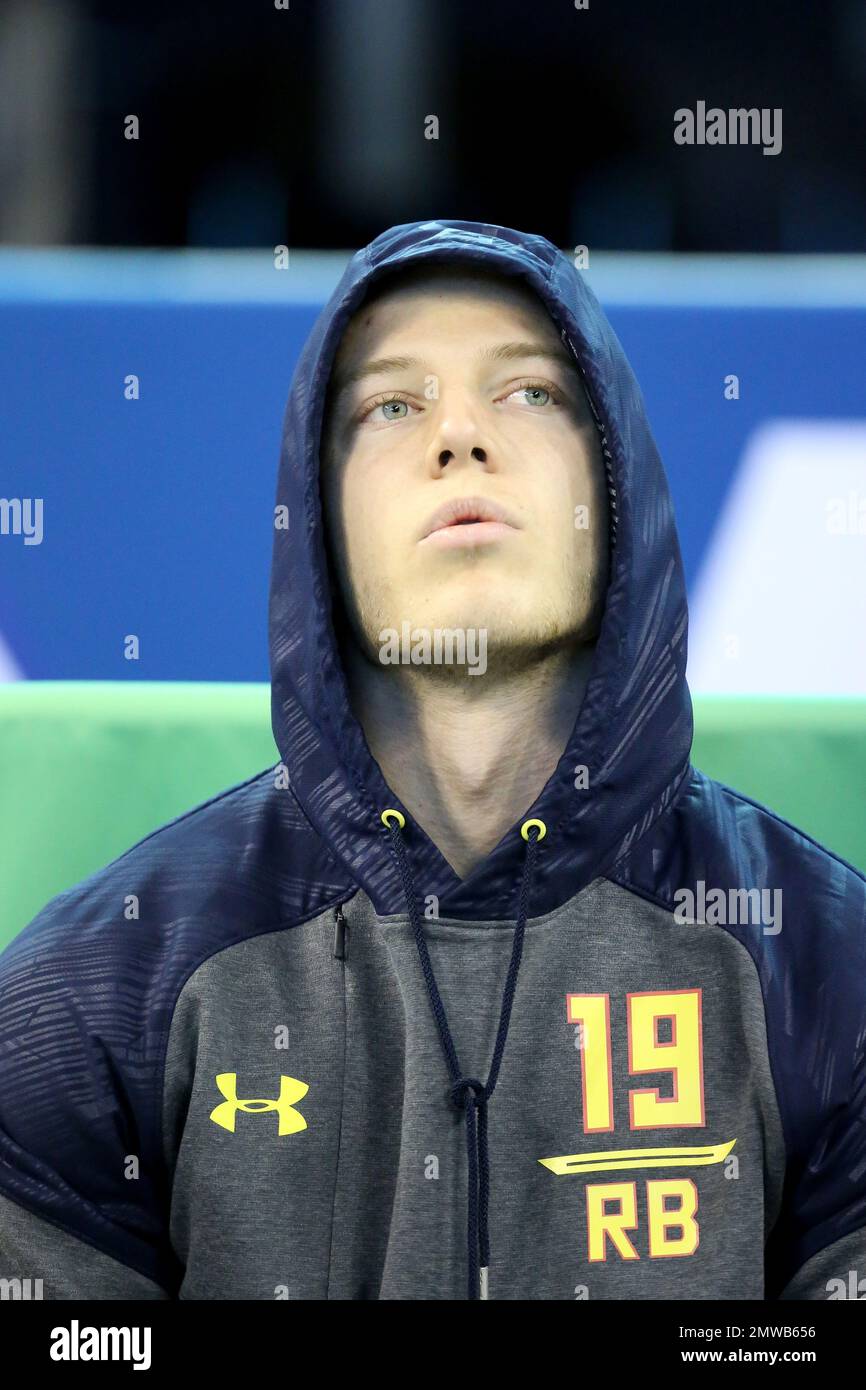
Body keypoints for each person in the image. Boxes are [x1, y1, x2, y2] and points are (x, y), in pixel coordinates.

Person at [0, 218, 863, 1301]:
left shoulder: (828, 971)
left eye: (530, 393)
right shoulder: (85, 1002)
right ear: (318, 520)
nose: (459, 436)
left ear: (619, 493)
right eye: (390, 405)